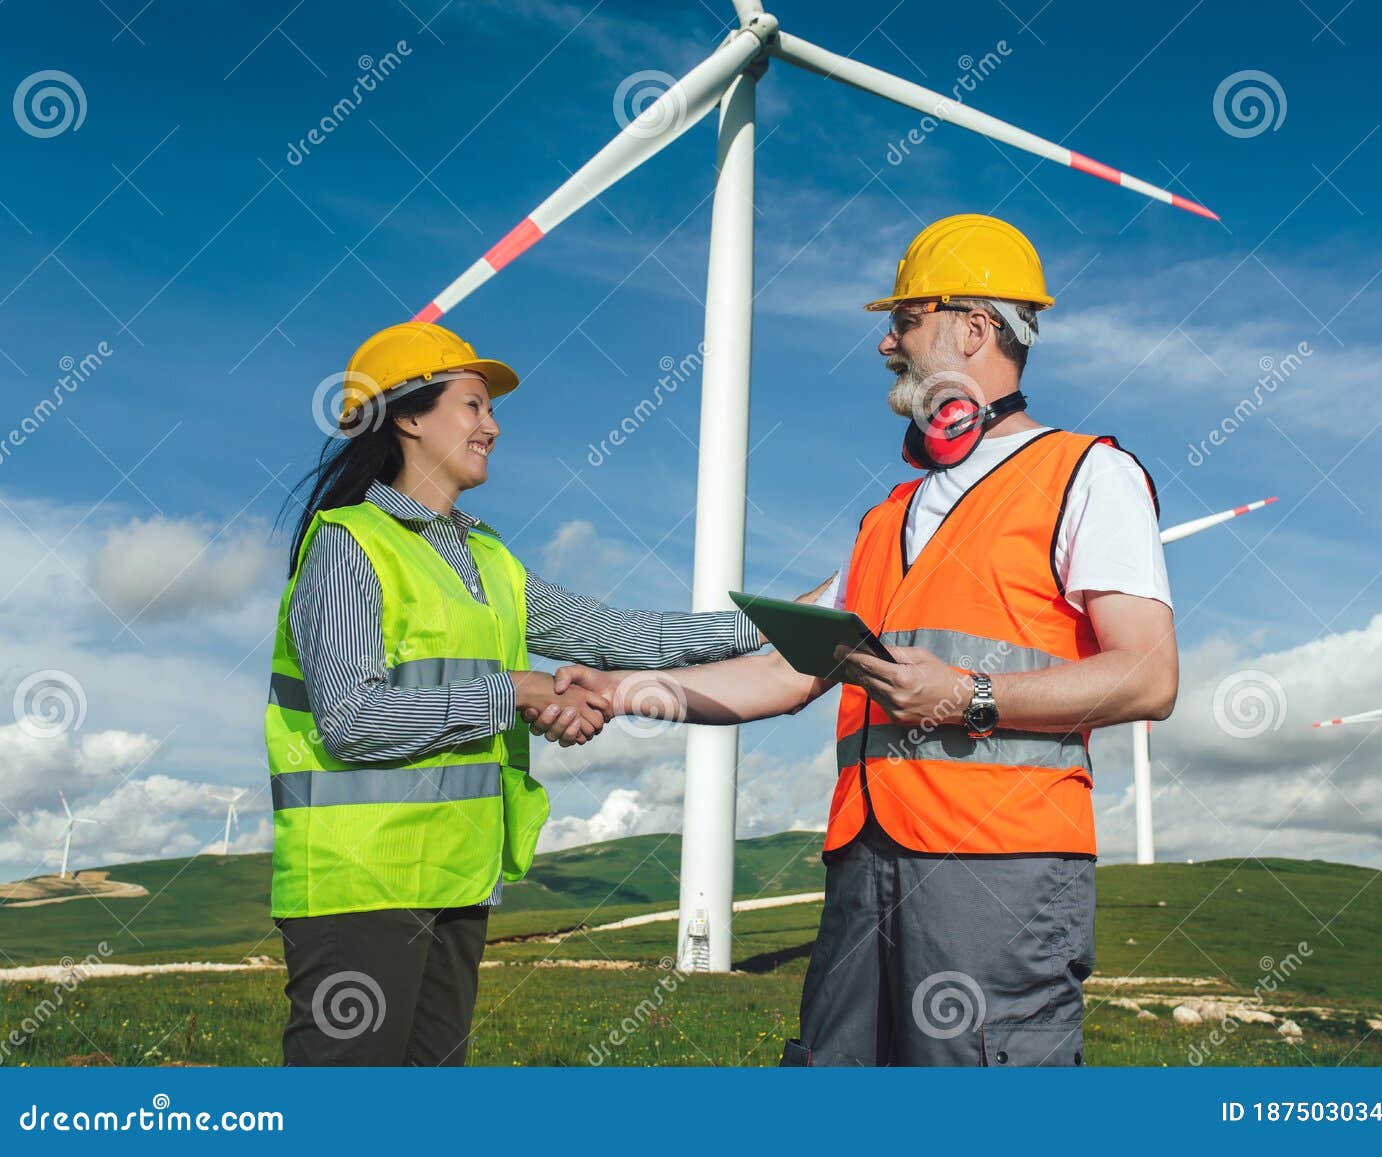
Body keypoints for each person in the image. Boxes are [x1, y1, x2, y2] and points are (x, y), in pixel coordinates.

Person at [549, 214, 1179, 1066]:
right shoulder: (887, 518)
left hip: (1001, 870)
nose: (887, 343)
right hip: (863, 863)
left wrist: (968, 695)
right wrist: (622, 691)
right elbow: (786, 674)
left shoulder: (1087, 474)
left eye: (907, 320)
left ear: (974, 328)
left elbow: (1149, 674)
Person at [265, 321, 769, 1066]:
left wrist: (776, 624)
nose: (492, 426)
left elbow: (614, 633)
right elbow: (351, 718)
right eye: (473, 406)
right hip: (358, 886)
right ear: (408, 418)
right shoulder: (349, 543)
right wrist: (516, 690)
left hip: (458, 877)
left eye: (491, 410)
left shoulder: (487, 557)